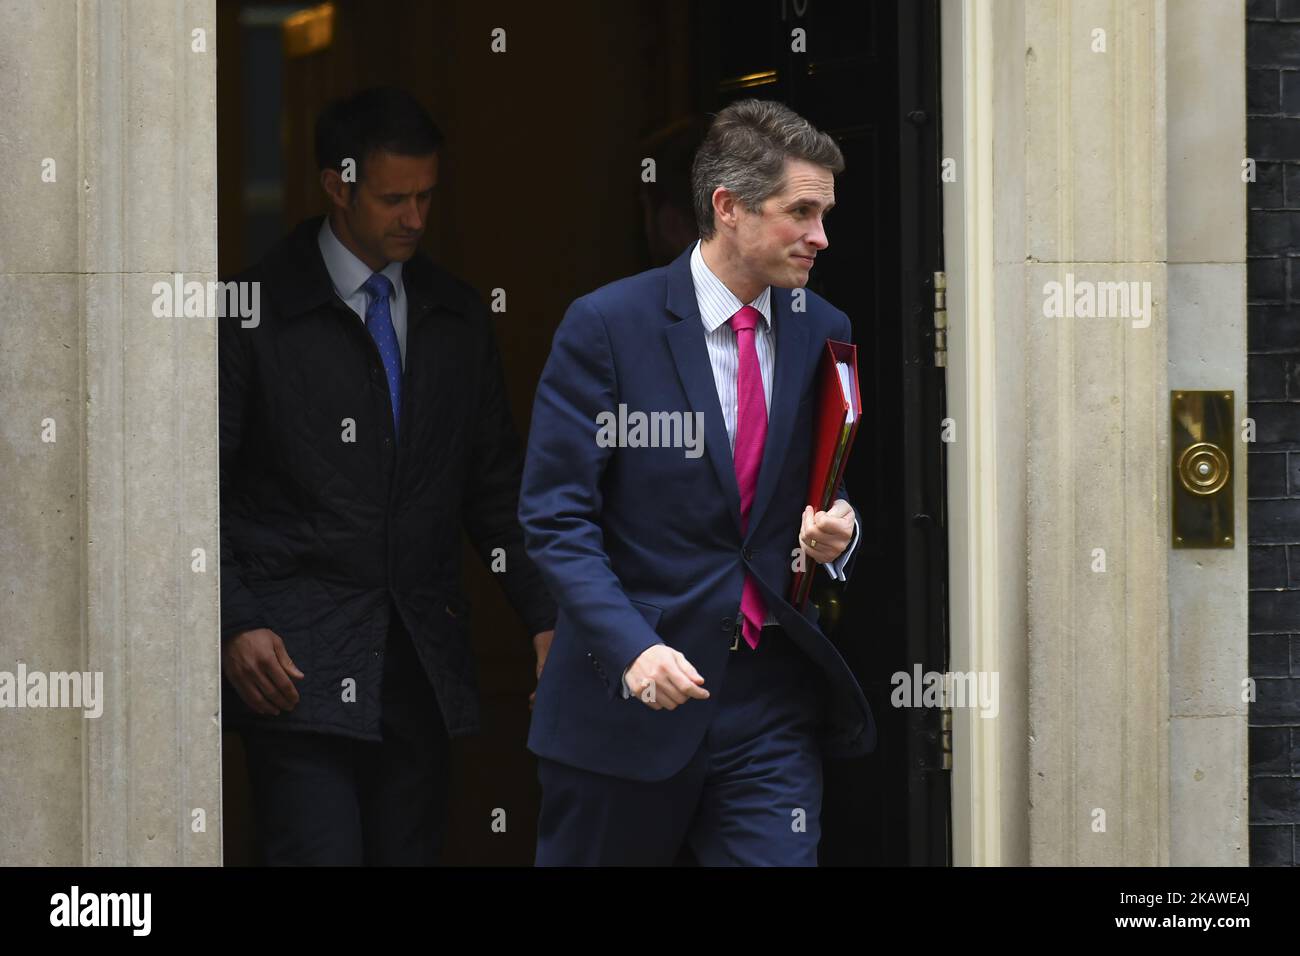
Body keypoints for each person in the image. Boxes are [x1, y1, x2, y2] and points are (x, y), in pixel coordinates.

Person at [520, 98, 876, 866]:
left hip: (769, 703)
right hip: (627, 698)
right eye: (802, 213)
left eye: (825, 213)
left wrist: (839, 528)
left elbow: (830, 482)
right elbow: (555, 519)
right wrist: (632, 651)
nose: (822, 237)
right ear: (729, 208)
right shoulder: (607, 326)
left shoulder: (826, 325)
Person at [219, 87, 555, 866]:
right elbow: (197, 489)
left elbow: (494, 487)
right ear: (337, 185)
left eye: (427, 197)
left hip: (420, 665)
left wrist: (545, 614)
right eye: (393, 198)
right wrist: (234, 621)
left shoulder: (457, 316)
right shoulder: (249, 313)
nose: (415, 218)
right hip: (295, 667)